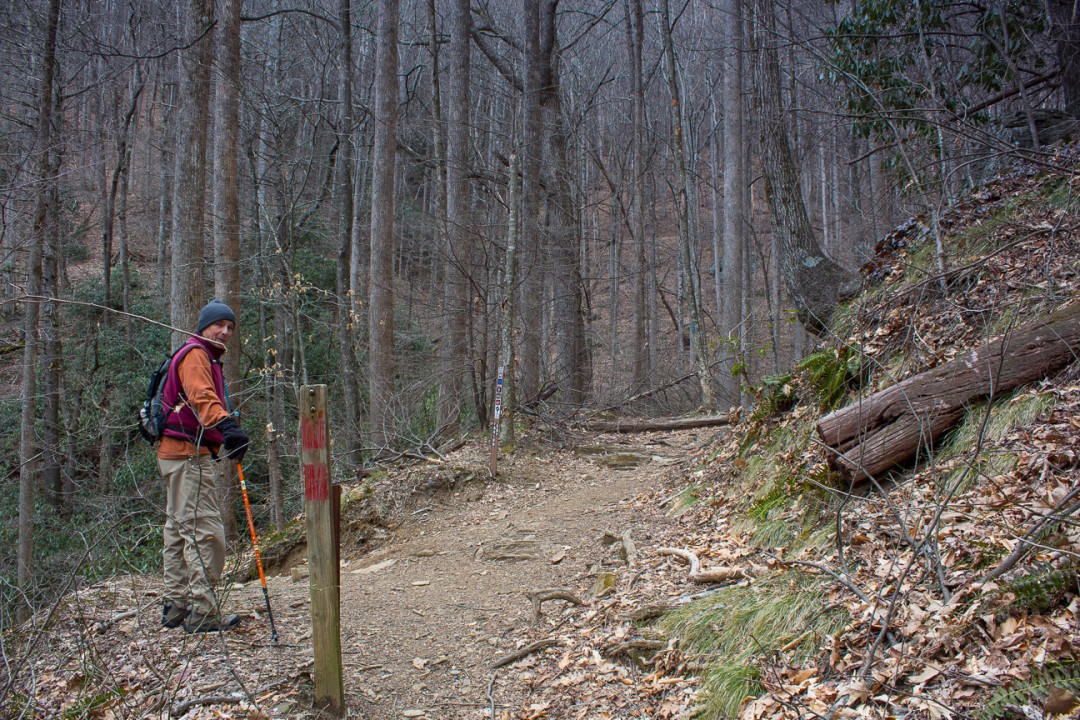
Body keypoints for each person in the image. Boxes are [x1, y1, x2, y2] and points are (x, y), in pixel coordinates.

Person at [157, 299, 250, 633]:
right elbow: (201, 395)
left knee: (178, 529)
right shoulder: (196, 354)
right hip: (187, 456)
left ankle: (176, 605)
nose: (224, 332)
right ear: (203, 327)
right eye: (218, 325)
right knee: (205, 531)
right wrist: (227, 426)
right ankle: (202, 612)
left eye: (229, 327)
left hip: (174, 455)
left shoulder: (196, 353)